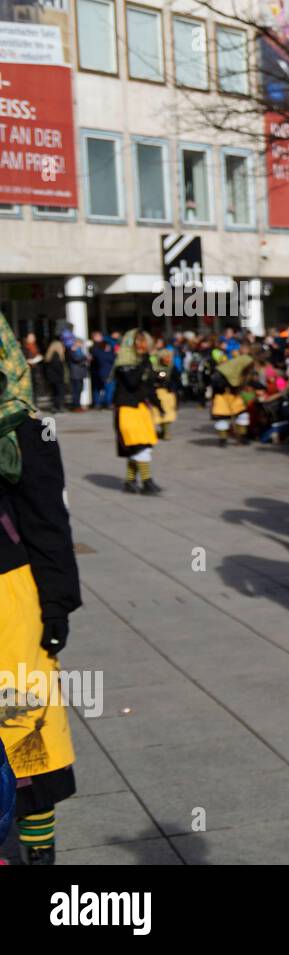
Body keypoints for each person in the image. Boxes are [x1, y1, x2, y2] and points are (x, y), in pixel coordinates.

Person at [0, 312, 82, 864]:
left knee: (22, 723)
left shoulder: (25, 428)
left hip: (11, 600)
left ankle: (39, 856)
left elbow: (49, 525)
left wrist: (56, 607)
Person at [112, 329, 162, 494]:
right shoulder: (123, 364)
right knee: (139, 445)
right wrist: (144, 363)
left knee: (141, 445)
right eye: (138, 341)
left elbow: (148, 387)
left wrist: (158, 404)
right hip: (126, 408)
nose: (142, 345)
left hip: (140, 408)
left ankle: (130, 481)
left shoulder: (143, 362)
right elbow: (132, 382)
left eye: (144, 341)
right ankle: (147, 482)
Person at [210, 353, 254, 446]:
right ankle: (223, 439)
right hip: (222, 396)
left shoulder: (240, 369)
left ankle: (242, 437)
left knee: (242, 415)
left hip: (234, 397)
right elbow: (216, 385)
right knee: (222, 417)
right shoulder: (220, 372)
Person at [150, 346, 179, 439]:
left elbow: (176, 378)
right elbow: (160, 375)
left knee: (168, 412)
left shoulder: (172, 367)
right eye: (165, 357)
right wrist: (161, 375)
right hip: (158, 392)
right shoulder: (155, 367)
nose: (168, 359)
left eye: (169, 357)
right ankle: (155, 431)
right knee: (156, 412)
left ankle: (165, 432)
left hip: (168, 393)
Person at [89, 332, 115, 409]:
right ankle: (106, 403)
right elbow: (110, 359)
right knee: (107, 388)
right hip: (102, 372)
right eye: (98, 336)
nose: (100, 338)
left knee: (100, 388)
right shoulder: (97, 349)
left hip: (100, 371)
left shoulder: (96, 349)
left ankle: (99, 403)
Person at [42, 337, 66, 413]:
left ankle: (55, 407)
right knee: (59, 392)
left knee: (54, 392)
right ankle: (58, 407)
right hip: (58, 378)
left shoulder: (49, 356)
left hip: (52, 378)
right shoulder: (57, 356)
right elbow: (58, 368)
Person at [66, 339, 88, 412]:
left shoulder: (80, 350)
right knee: (76, 391)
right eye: (80, 343)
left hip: (80, 373)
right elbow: (76, 359)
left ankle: (78, 405)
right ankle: (76, 406)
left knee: (80, 390)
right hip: (75, 374)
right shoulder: (72, 350)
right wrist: (85, 357)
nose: (82, 345)